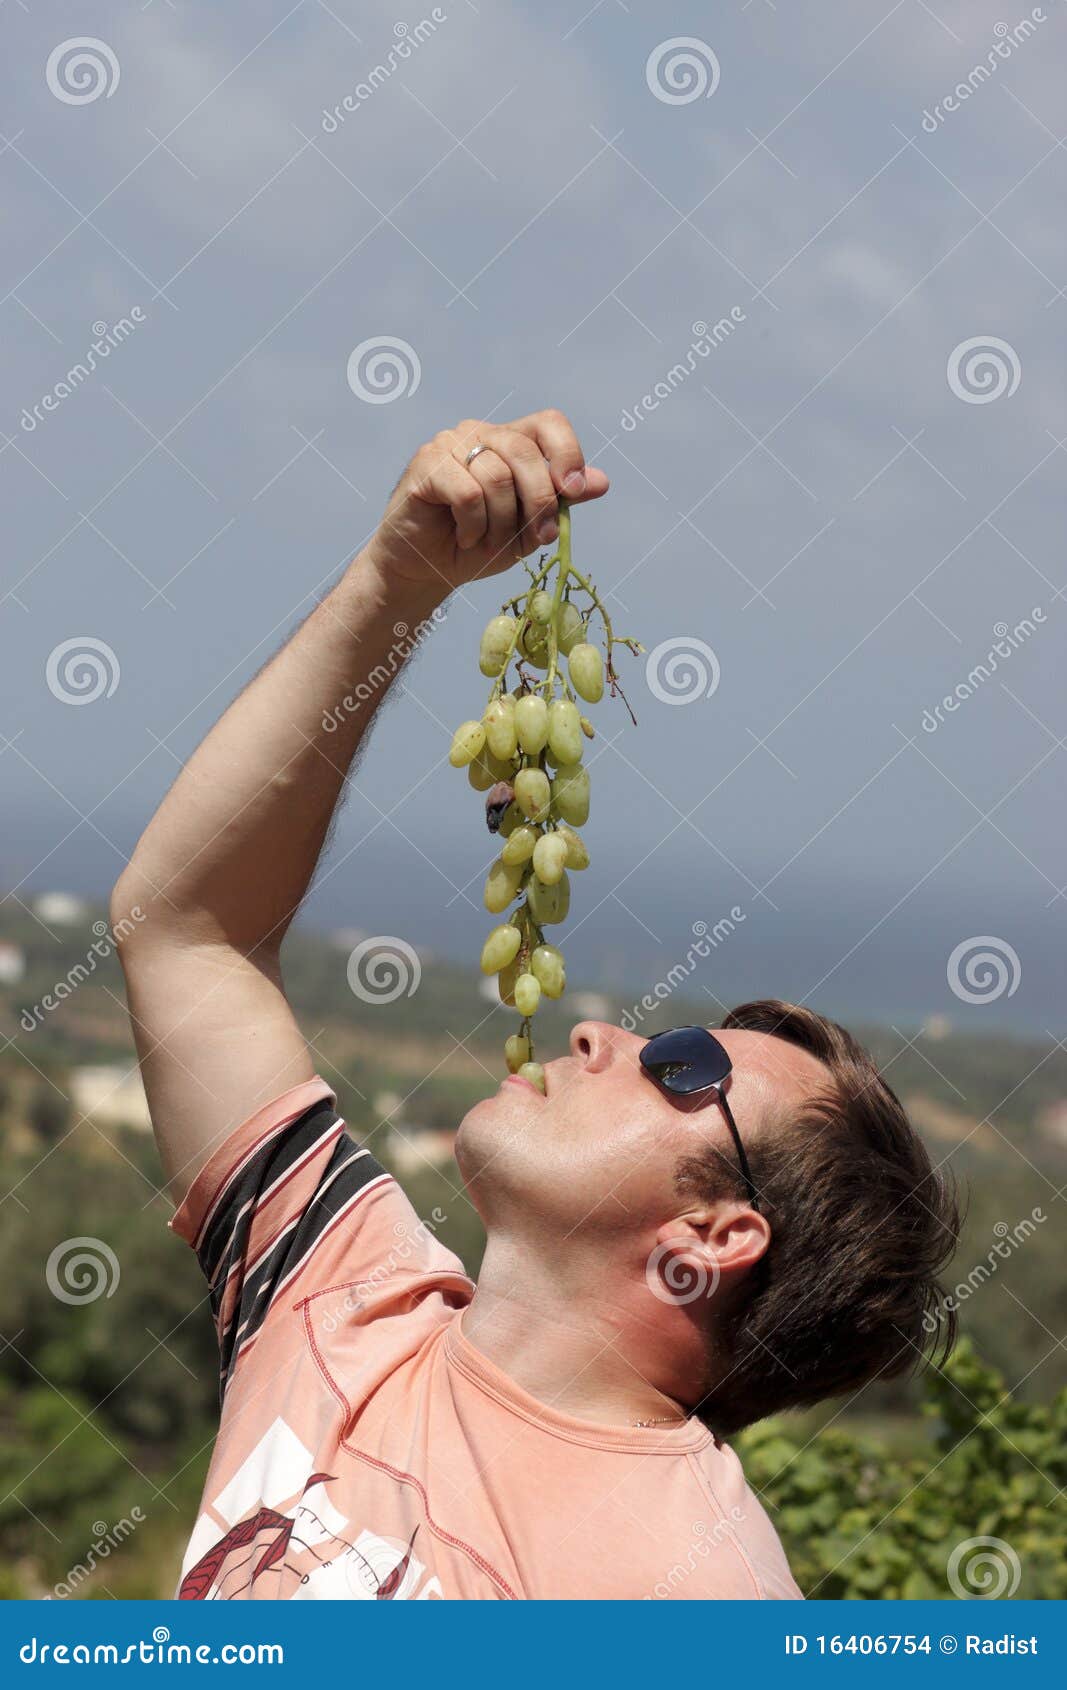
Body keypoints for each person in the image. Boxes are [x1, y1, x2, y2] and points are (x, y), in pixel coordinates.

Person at [112, 408, 959, 1600]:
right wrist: (397, 581)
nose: (597, 1030)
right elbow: (186, 933)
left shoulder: (695, 1587)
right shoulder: (343, 1293)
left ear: (711, 1242)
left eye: (677, 1063)